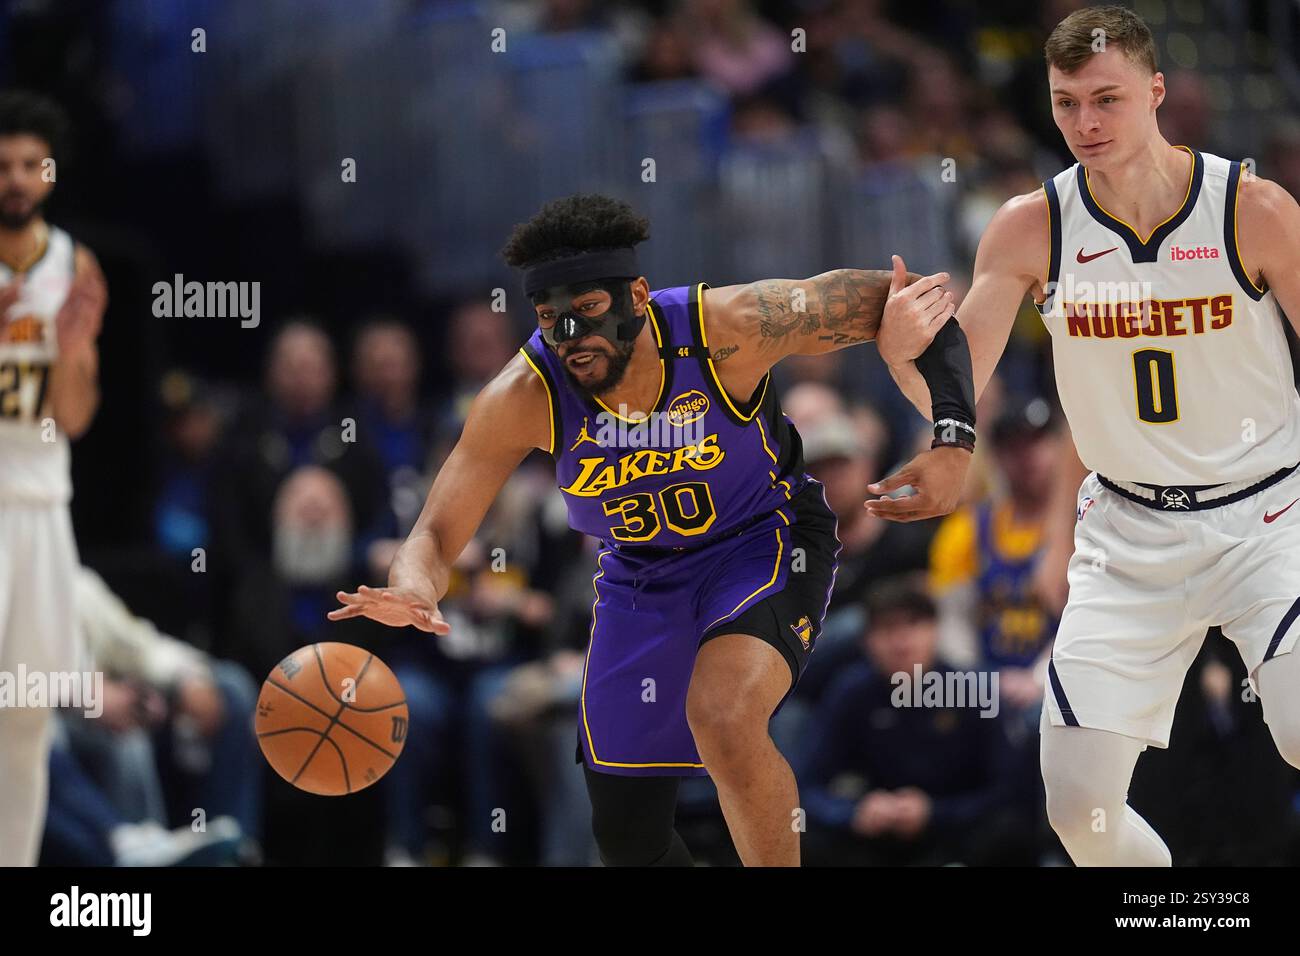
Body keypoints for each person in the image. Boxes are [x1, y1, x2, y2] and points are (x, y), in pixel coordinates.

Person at [331, 193, 978, 866]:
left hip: (763, 539)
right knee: (626, 839)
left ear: (637, 295)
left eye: (587, 313)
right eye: (551, 321)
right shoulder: (524, 395)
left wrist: (953, 440)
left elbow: (907, 298)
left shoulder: (727, 325)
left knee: (723, 716)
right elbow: (434, 534)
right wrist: (413, 587)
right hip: (639, 577)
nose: (571, 340)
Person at [877, 5, 1300, 865]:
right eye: (1066, 103)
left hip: (1266, 515)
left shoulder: (1251, 209)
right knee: (1079, 810)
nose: (1086, 123)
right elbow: (959, 385)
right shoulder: (1031, 225)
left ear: (1156, 92)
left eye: (1106, 99)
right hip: (1127, 529)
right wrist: (899, 352)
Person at [0, 90, 108, 866]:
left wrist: (70, 346)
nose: (14, 179)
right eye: (1, 165)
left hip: (41, 507)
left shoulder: (75, 264)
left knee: (28, 716)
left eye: (27, 165)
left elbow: (72, 416)